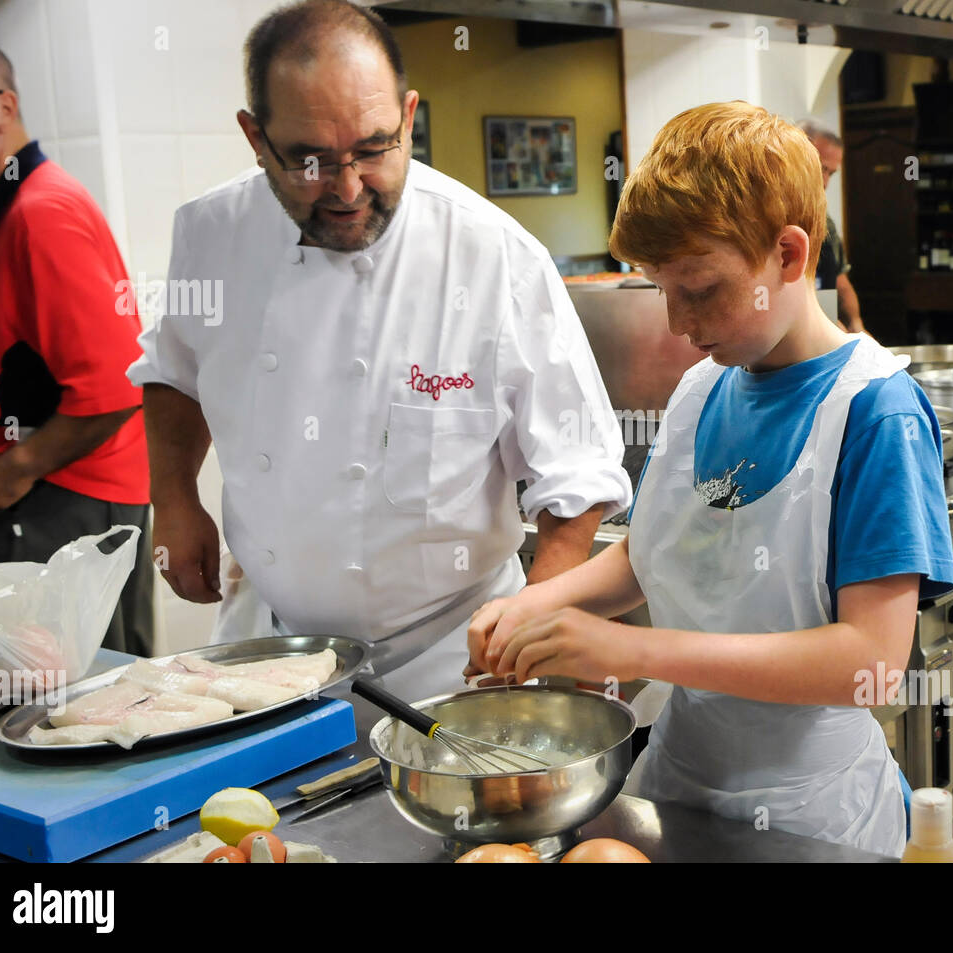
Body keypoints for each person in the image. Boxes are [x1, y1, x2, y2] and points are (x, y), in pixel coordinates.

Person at [467, 102, 953, 857]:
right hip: (677, 791)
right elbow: (648, 555)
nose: (675, 320)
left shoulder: (874, 413)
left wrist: (630, 652)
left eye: (698, 288)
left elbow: (871, 663)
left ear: (789, 257)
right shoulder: (703, 389)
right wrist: (534, 604)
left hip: (810, 815)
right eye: (662, 288)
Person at [127, 0, 630, 698]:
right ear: (254, 136)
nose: (348, 187)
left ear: (409, 114)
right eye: (312, 160)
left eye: (374, 147)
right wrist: (174, 496)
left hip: (451, 654)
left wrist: (528, 630)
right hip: (268, 649)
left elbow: (577, 479)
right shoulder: (211, 235)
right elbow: (173, 372)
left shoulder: (493, 256)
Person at [0, 37, 154, 656]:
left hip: (56, 505)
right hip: (25, 506)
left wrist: (14, 471)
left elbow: (117, 386)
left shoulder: (41, 213)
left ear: (4, 105)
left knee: (78, 712)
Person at [797, 119, 864, 334]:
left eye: (831, 173)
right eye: (822, 168)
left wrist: (856, 325)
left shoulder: (825, 223)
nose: (825, 182)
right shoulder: (766, 219)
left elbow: (840, 282)